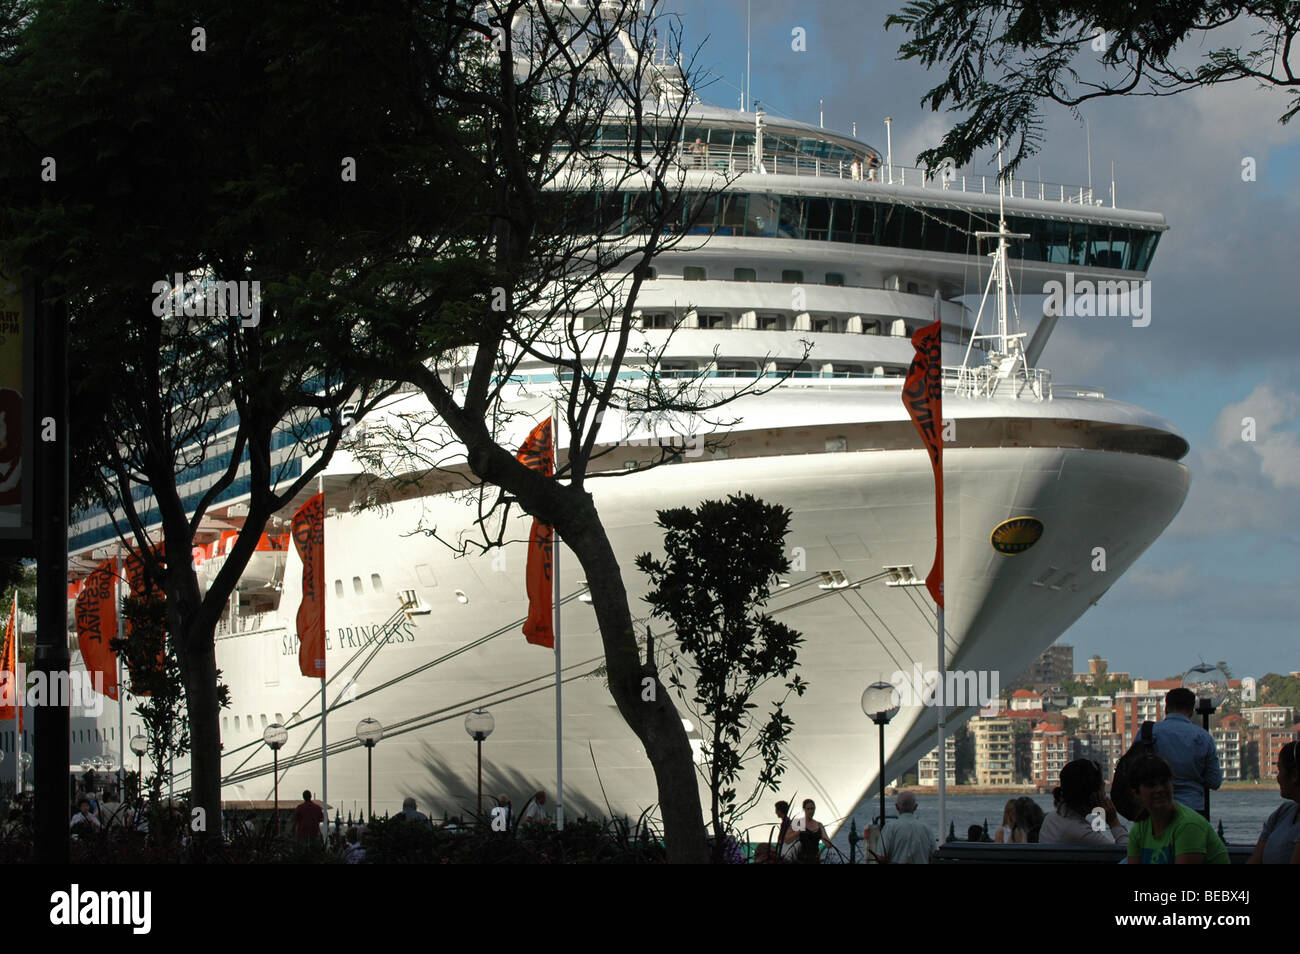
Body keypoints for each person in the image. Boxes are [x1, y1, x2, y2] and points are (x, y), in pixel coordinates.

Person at [1125, 754, 1229, 864]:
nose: (1160, 789)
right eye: (1151, 785)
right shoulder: (1139, 829)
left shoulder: (1188, 825)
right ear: (1136, 793)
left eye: (1164, 782)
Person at [1151, 687, 1222, 813]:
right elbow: (1215, 781)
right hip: (1193, 808)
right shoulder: (1203, 737)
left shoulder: (1148, 733)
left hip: (1155, 809)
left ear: (1166, 709)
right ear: (1191, 711)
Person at [1039, 758, 1127, 846]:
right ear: (1094, 795)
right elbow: (1126, 853)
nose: (1105, 794)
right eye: (1103, 787)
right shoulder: (1082, 833)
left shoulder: (1050, 819)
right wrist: (1114, 822)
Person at [1247, 740, 1300, 864]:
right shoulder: (1282, 813)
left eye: (1280, 771)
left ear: (1294, 775)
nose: (1278, 777)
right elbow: (1255, 860)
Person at [879, 790, 936, 864]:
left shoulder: (889, 828)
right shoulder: (926, 828)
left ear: (897, 807)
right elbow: (934, 854)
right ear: (915, 807)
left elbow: (881, 857)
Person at [790, 798, 833, 863]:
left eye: (812, 809)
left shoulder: (819, 825)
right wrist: (798, 832)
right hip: (800, 859)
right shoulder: (797, 822)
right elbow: (787, 840)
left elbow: (828, 845)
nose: (810, 811)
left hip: (814, 859)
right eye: (808, 809)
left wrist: (824, 840)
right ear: (804, 809)